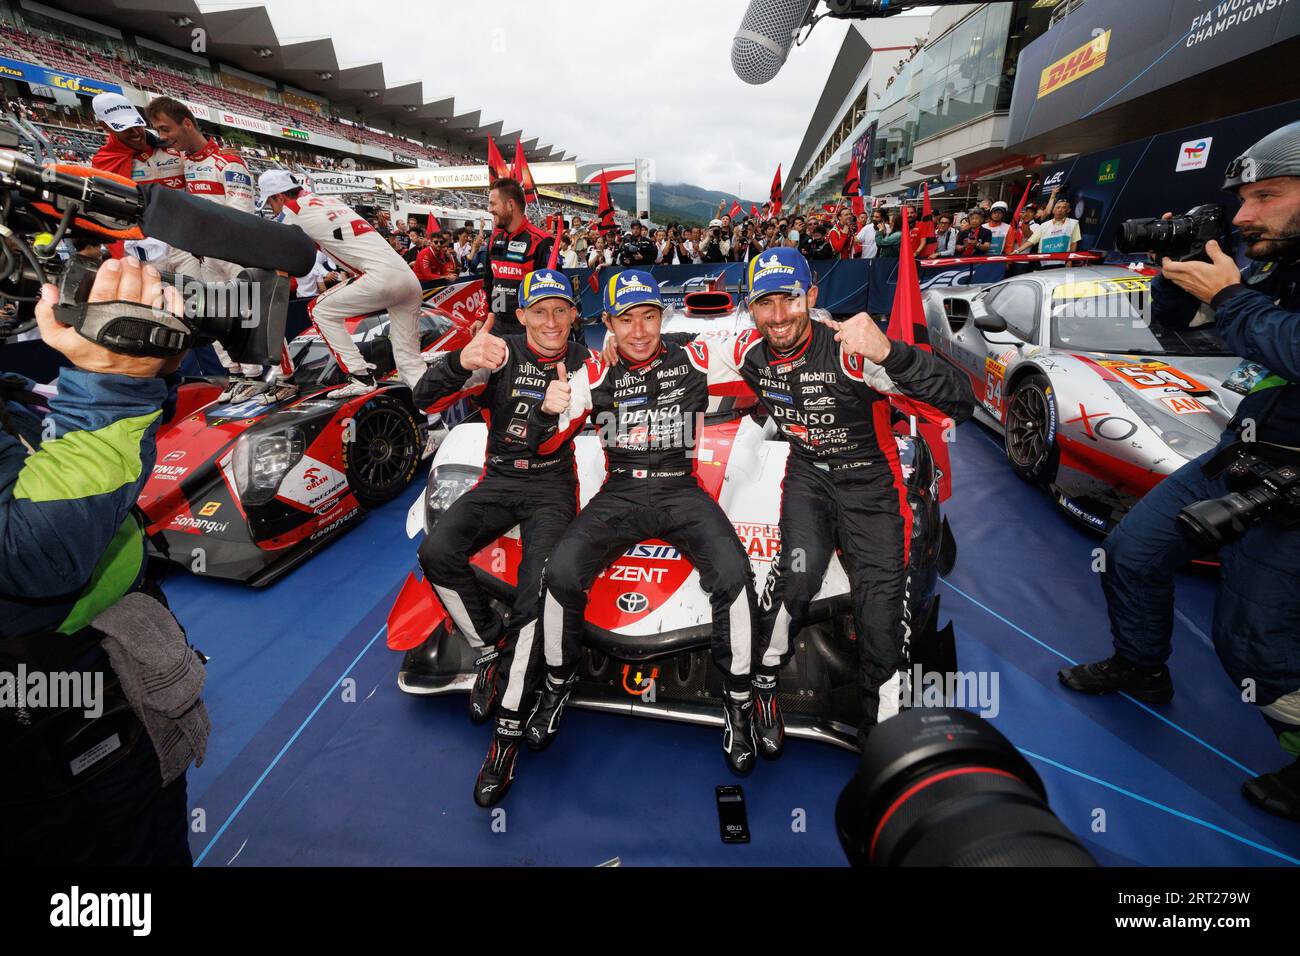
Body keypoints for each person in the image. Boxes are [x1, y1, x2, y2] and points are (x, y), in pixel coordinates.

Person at [1059, 120, 1300, 822]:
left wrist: (1231, 296)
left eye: (1266, 196)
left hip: (1292, 489)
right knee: (1132, 552)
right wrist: (1178, 271)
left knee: (1254, 644)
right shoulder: (1271, 266)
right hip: (1242, 456)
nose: (1245, 214)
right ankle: (1142, 664)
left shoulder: (1255, 283)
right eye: (1243, 199)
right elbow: (1181, 331)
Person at [1, 258, 203, 865]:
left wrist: (142, 379)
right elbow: (39, 555)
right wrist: (114, 390)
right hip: (50, 744)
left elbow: (91, 485)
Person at [524, 270, 761, 776]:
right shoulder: (592, 372)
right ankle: (556, 686)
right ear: (607, 322)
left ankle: (739, 700)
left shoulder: (695, 355)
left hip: (681, 488)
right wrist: (550, 413)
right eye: (626, 320)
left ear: (662, 316)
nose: (638, 331)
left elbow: (764, 348)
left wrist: (827, 328)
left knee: (734, 576)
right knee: (561, 573)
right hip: (622, 493)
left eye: (649, 317)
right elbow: (546, 444)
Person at [409, 269, 593, 806]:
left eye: (561, 310)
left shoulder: (585, 361)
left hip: (552, 490)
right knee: (435, 551)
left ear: (574, 316)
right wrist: (459, 362)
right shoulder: (497, 351)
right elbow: (424, 397)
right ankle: (488, 648)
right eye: (541, 311)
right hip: (500, 480)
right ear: (523, 316)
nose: (552, 321)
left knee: (535, 599)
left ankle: (506, 738)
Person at [257, 168, 427, 396]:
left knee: (319, 310)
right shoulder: (328, 199)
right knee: (410, 364)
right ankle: (436, 425)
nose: (272, 209)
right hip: (408, 279)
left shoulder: (291, 210)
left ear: (279, 196)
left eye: (270, 203)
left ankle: (360, 376)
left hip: (381, 278)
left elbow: (271, 247)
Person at [145, 96, 264, 398]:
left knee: (248, 314)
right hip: (205, 252)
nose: (163, 137)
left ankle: (267, 376)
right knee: (210, 315)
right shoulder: (181, 160)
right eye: (158, 131)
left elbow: (241, 216)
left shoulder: (229, 161)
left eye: (165, 129)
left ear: (187, 123)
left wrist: (205, 238)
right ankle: (236, 375)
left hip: (237, 252)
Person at [88, 93, 185, 268]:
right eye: (124, 127)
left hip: (185, 237)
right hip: (144, 246)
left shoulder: (170, 145)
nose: (135, 132)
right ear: (105, 126)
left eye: (137, 124)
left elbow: (201, 156)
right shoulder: (104, 162)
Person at [485, 177, 554, 335]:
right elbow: (488, 283)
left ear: (510, 205)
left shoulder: (541, 241)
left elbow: (551, 294)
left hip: (527, 329)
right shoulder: (494, 240)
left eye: (492, 203)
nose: (489, 209)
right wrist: (481, 317)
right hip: (497, 325)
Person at [1015, 197, 1080, 263]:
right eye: (1058, 207)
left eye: (1064, 207)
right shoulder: (1044, 225)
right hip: (1044, 262)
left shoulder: (1073, 223)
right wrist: (1017, 251)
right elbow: (1031, 241)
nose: (1060, 210)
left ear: (1068, 210)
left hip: (1061, 263)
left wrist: (1070, 261)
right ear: (1053, 210)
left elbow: (1074, 243)